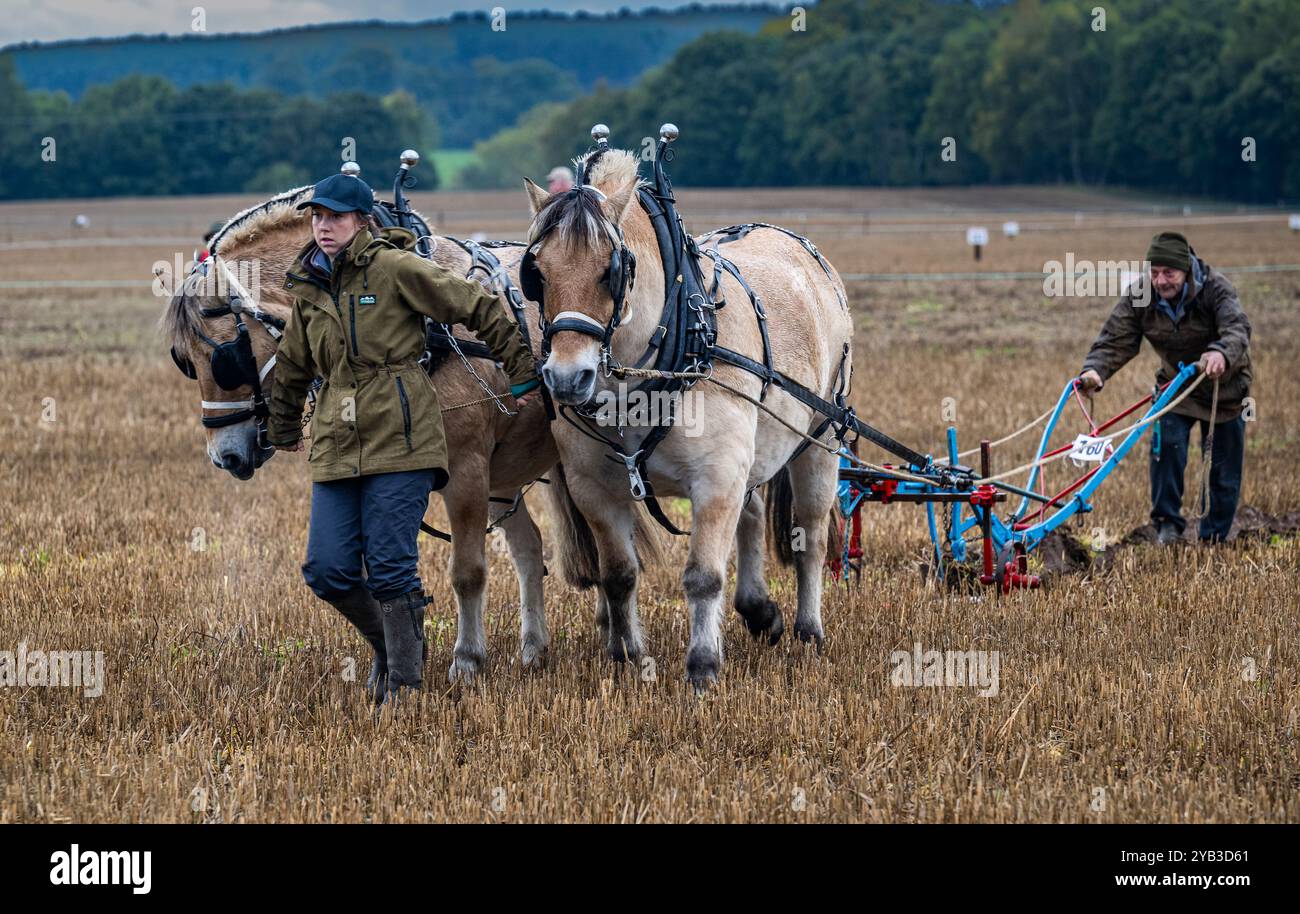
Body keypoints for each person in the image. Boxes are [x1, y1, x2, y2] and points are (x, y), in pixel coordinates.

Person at [265, 172, 540, 701]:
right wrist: (281, 426)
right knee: (327, 569)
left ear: (361, 221)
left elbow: (477, 306)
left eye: (336, 217)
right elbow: (295, 363)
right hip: (337, 440)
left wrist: (521, 369)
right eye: (318, 217)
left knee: (391, 567)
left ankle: (406, 686)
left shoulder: (396, 268)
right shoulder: (310, 286)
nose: (324, 227)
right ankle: (391, 649)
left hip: (403, 434)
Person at [1079, 231, 1252, 545]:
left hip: (1223, 392)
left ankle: (1214, 535)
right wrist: (1094, 371)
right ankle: (1167, 525)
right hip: (1175, 388)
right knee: (1166, 451)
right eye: (1154, 272)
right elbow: (1116, 338)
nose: (1160, 281)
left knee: (1222, 468)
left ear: (1186, 270)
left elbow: (1237, 329)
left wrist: (1220, 353)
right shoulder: (1141, 295)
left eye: (1168, 273)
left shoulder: (1216, 288)